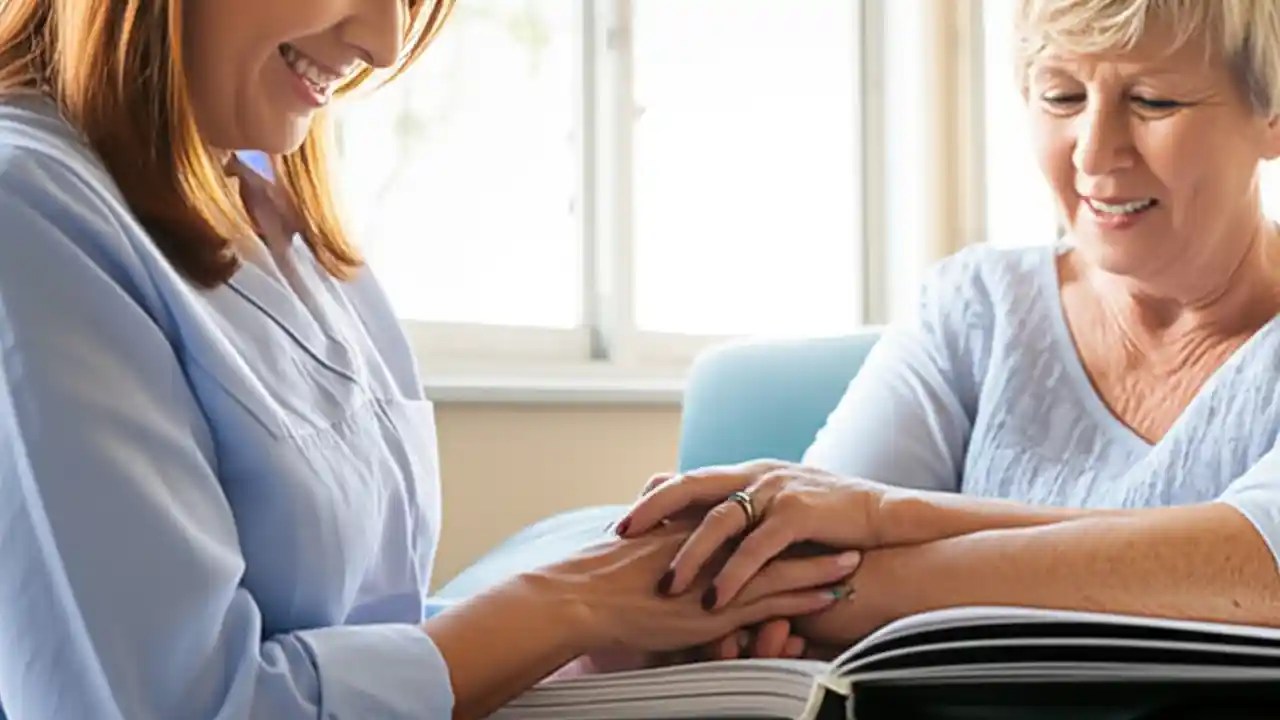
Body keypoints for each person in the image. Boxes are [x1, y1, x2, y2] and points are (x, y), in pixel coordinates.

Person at [0, 1, 861, 718]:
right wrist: (567, 603)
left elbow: (369, 635)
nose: (384, 43)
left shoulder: (286, 222)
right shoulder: (28, 212)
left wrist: (590, 644)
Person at [621, 0, 1280, 656]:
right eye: (1061, 96)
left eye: (1153, 103)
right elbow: (801, 545)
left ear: (1271, 114)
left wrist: (885, 523)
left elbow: (1257, 566)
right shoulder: (975, 308)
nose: (1095, 150)